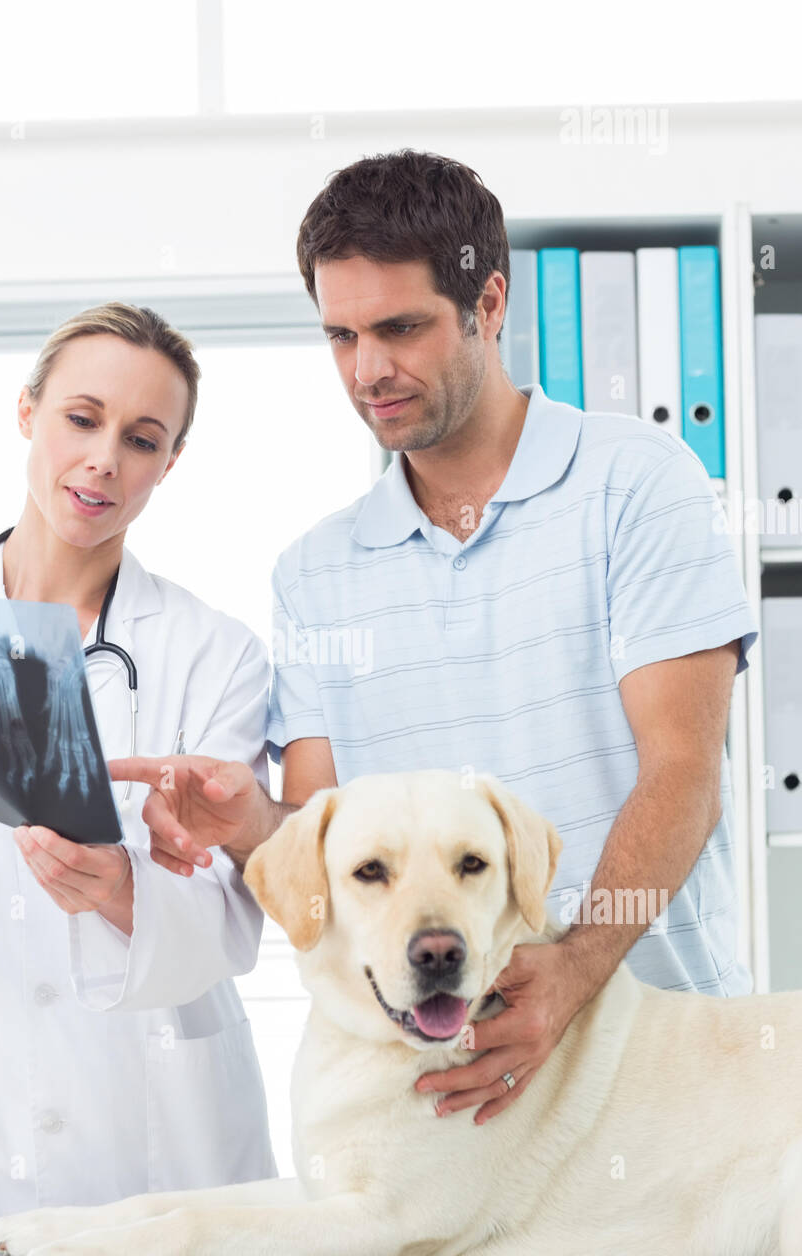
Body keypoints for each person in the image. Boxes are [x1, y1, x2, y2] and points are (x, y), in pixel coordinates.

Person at [110, 151, 759, 1130]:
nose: (368, 369)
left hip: (664, 1076)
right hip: (453, 1109)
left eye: (400, 327)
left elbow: (682, 775)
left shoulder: (641, 482)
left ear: (486, 303)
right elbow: (328, 846)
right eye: (340, 335)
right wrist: (246, 824)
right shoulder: (315, 572)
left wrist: (571, 970)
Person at [0, 302, 276, 1244]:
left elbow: (235, 922)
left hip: (171, 1161)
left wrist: (126, 893)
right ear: (27, 412)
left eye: (142, 438)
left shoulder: (215, 653)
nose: (105, 460)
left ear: (170, 462)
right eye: (81, 418)